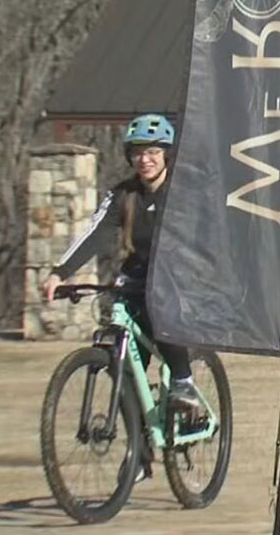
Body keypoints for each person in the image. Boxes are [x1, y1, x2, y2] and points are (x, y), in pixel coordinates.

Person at [40, 114, 199, 409]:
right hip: (137, 276)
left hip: (180, 277)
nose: (144, 160)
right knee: (125, 366)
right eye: (137, 152)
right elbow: (95, 234)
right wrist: (59, 273)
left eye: (153, 151)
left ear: (166, 154)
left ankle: (183, 380)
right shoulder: (123, 195)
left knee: (163, 315)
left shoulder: (184, 192)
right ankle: (141, 434)